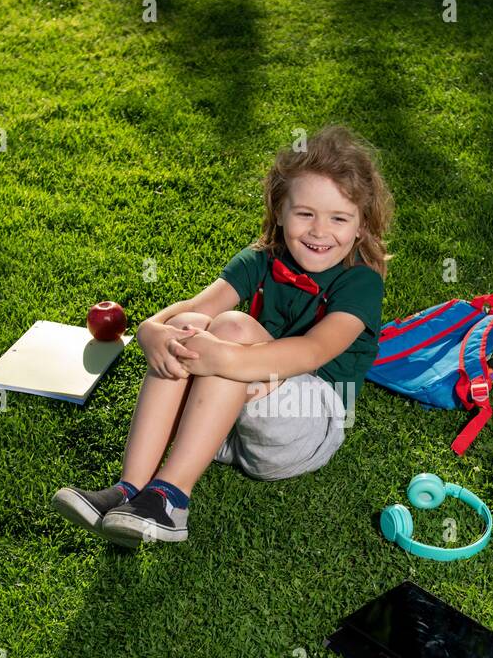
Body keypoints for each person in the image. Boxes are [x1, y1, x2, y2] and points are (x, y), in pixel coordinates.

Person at [54, 125, 394, 545]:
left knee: (229, 329)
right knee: (188, 326)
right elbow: (196, 309)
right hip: (225, 423)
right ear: (280, 211)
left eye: (339, 218)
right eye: (305, 213)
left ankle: (172, 498)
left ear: (361, 226)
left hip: (305, 422)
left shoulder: (359, 282)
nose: (320, 231)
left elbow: (312, 351)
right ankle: (129, 488)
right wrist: (149, 330)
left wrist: (226, 359)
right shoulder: (260, 259)